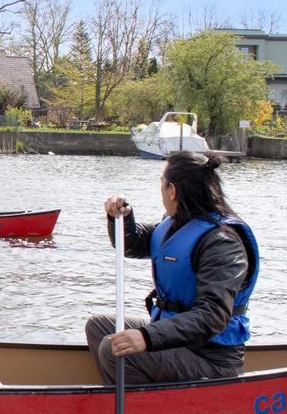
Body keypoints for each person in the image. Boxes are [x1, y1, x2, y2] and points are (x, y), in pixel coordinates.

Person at [85, 151, 259, 385]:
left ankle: (144, 406)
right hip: (177, 343)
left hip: (209, 359)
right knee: (98, 327)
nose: (160, 191)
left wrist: (147, 337)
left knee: (112, 348)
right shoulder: (176, 224)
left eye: (161, 184)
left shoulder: (222, 243)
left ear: (172, 191)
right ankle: (120, 395)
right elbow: (133, 244)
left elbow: (212, 315)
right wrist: (122, 217)